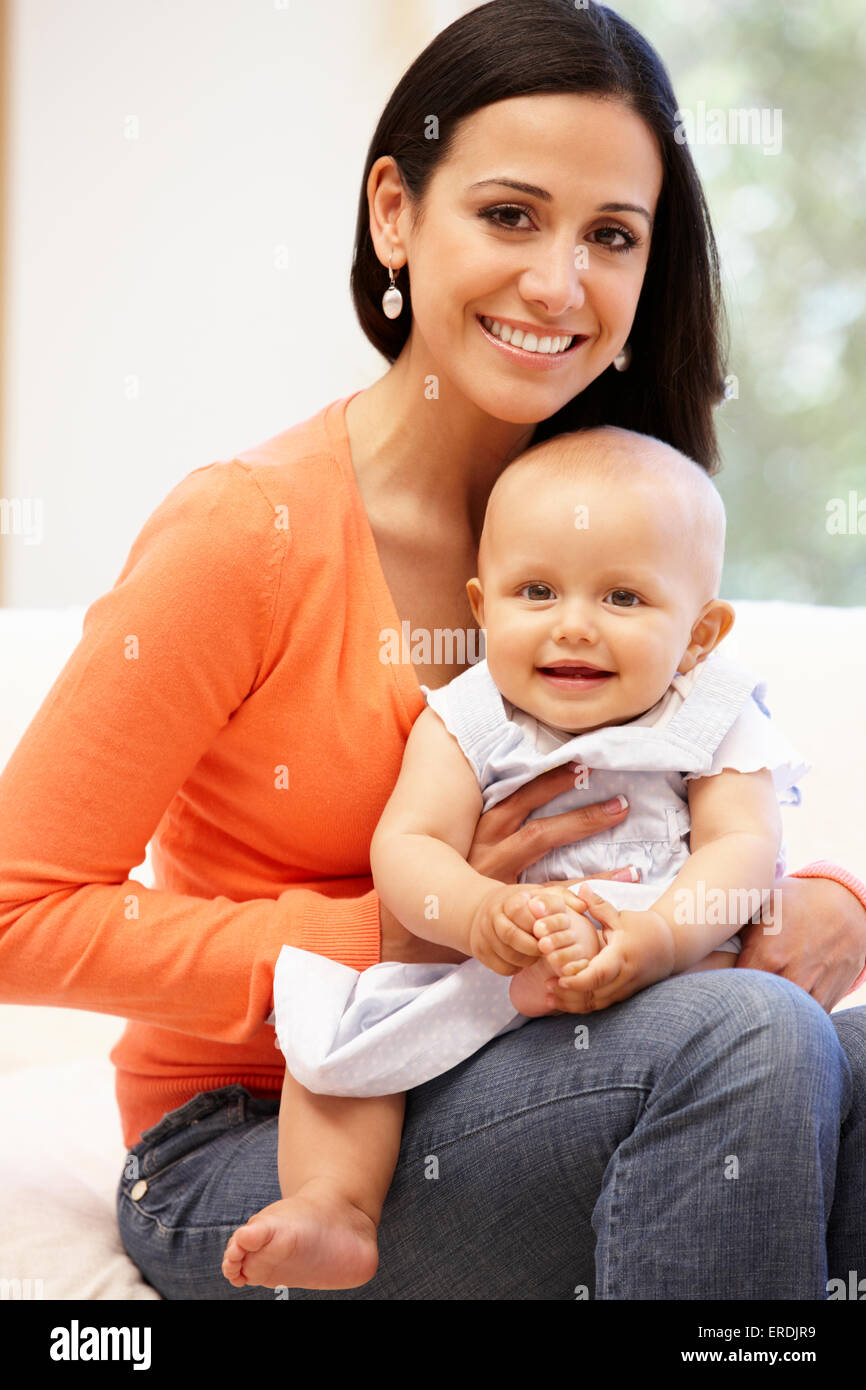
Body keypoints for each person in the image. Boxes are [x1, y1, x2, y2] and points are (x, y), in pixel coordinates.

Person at [1, 0, 864, 1300]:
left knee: (803, 1047)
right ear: (395, 212)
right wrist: (401, 931)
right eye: (509, 215)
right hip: (270, 1138)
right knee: (742, 1039)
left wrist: (824, 902)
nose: (557, 282)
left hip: (557, 1052)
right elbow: (19, 912)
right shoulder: (246, 532)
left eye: (609, 236)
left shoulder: (616, 506)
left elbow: (684, 796)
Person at [221, 423, 815, 1291]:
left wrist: (656, 938)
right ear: (480, 606)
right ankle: (334, 1203)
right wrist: (475, 911)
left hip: (665, 976)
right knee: (351, 1036)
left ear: (699, 635)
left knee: (810, 1038)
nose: (573, 627)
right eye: (536, 591)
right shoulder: (471, 716)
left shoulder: (711, 716)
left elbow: (741, 848)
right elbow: (410, 842)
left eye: (622, 599)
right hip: (492, 979)